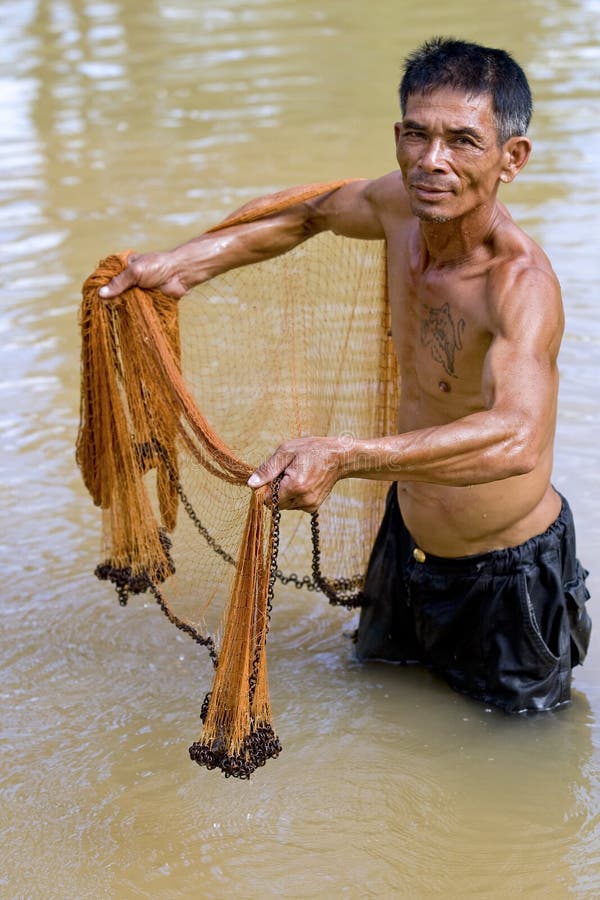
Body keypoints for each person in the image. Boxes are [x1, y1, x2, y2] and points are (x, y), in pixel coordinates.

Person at [99, 37, 591, 713]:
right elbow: (308, 213)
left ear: (513, 158)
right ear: (398, 135)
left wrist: (345, 455)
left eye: (462, 141)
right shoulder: (398, 208)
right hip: (407, 541)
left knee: (518, 760)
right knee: (379, 699)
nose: (432, 161)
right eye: (416, 135)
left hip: (505, 579)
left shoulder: (519, 285)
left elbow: (518, 439)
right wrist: (186, 263)